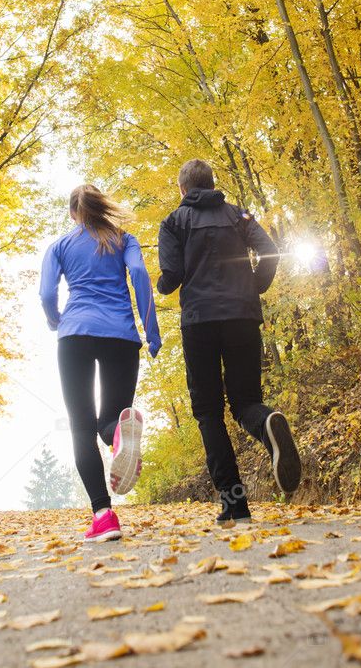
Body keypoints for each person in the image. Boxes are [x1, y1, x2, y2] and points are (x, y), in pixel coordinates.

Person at [157, 158, 301, 524]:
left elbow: (171, 276)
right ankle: (267, 424)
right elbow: (270, 250)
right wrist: (254, 286)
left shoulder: (174, 222)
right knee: (245, 401)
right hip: (242, 317)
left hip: (199, 322)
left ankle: (234, 503)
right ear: (212, 183)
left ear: (182, 190)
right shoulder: (239, 215)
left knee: (208, 412)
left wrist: (162, 285)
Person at [39, 184, 161, 542]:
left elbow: (47, 293)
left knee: (80, 427)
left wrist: (56, 320)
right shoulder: (125, 239)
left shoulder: (60, 246)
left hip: (74, 335)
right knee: (112, 419)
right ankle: (120, 436)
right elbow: (139, 276)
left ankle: (103, 516)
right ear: (101, 207)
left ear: (73, 214)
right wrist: (151, 333)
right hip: (121, 336)